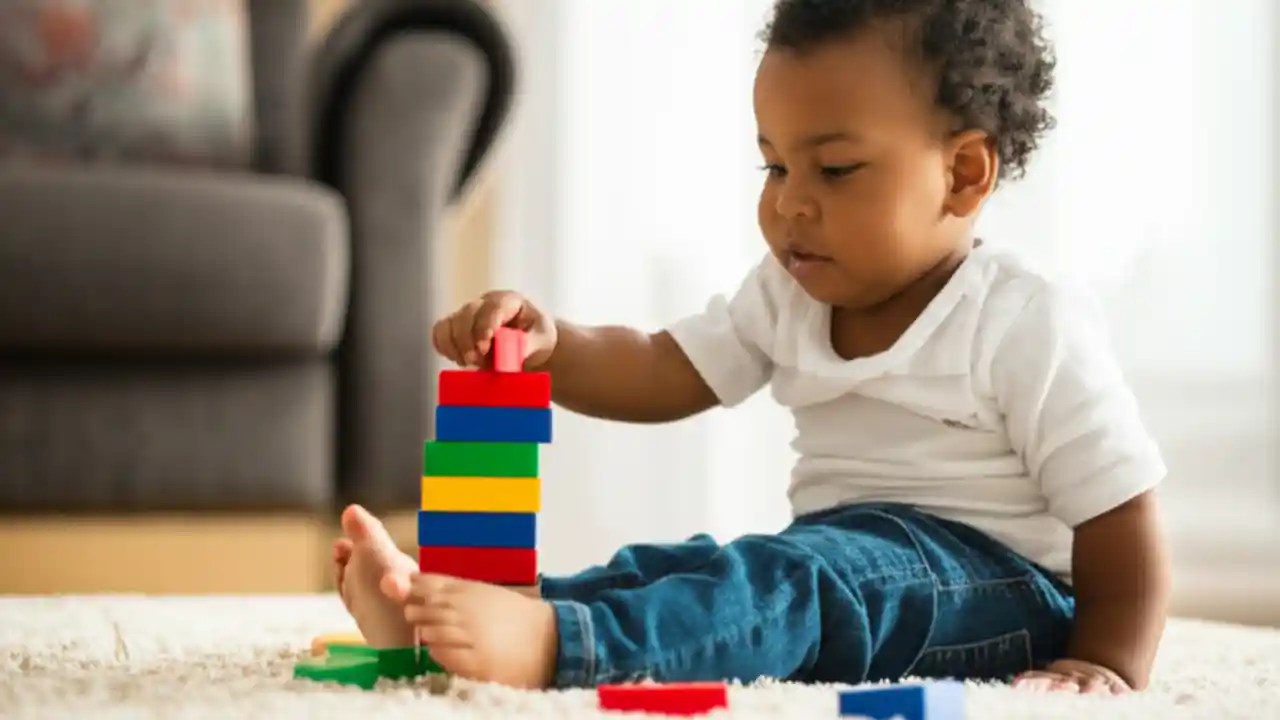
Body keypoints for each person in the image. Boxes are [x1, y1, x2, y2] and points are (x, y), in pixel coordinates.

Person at [333, 0, 1171, 695]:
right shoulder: (791, 291)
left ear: (961, 175)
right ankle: (461, 610)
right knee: (686, 568)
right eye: (774, 168)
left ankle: (561, 649)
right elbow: (662, 368)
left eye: (834, 171)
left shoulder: (1025, 318)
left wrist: (1105, 660)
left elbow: (1120, 506)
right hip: (843, 564)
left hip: (993, 596)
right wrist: (551, 347)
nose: (790, 206)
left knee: (781, 582)